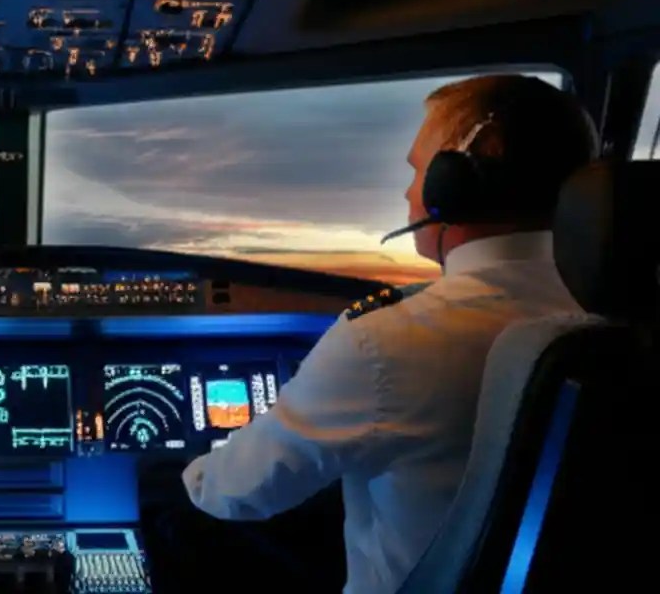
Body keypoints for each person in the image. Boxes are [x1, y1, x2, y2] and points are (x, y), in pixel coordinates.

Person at [178, 74, 599, 593]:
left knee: (176, 529)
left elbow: (237, 492)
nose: (408, 191)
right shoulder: (624, 320)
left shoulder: (386, 343)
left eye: (419, 170)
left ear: (456, 183)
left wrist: (186, 467)